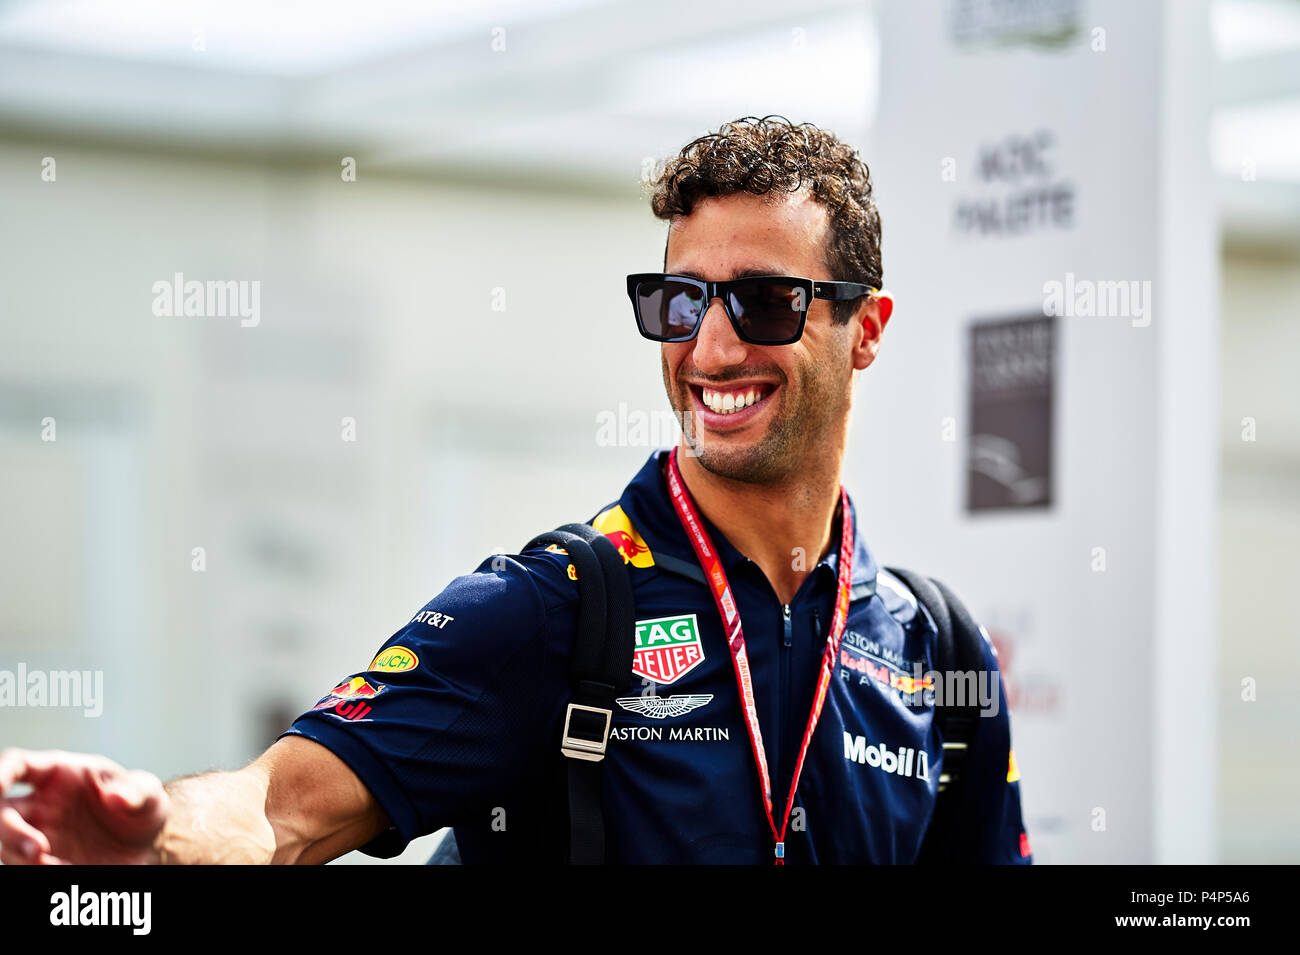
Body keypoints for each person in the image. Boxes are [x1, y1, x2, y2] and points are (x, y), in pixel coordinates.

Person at [0, 115, 1031, 865]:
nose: (710, 347)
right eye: (676, 302)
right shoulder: (559, 606)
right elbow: (284, 805)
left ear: (869, 329)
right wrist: (140, 848)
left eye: (763, 302)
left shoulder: (932, 647)